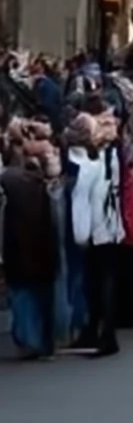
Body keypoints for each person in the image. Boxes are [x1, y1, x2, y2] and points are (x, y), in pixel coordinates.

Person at [66, 111, 125, 357]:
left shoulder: (99, 159)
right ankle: (96, 329)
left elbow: (88, 199)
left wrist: (83, 233)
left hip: (101, 226)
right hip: (106, 224)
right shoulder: (101, 156)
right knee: (97, 281)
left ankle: (105, 332)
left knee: (102, 281)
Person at [1, 122, 60, 360]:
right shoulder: (42, 185)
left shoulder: (7, 182)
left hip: (18, 248)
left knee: (23, 295)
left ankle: (29, 339)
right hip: (43, 247)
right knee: (41, 295)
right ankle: (44, 341)